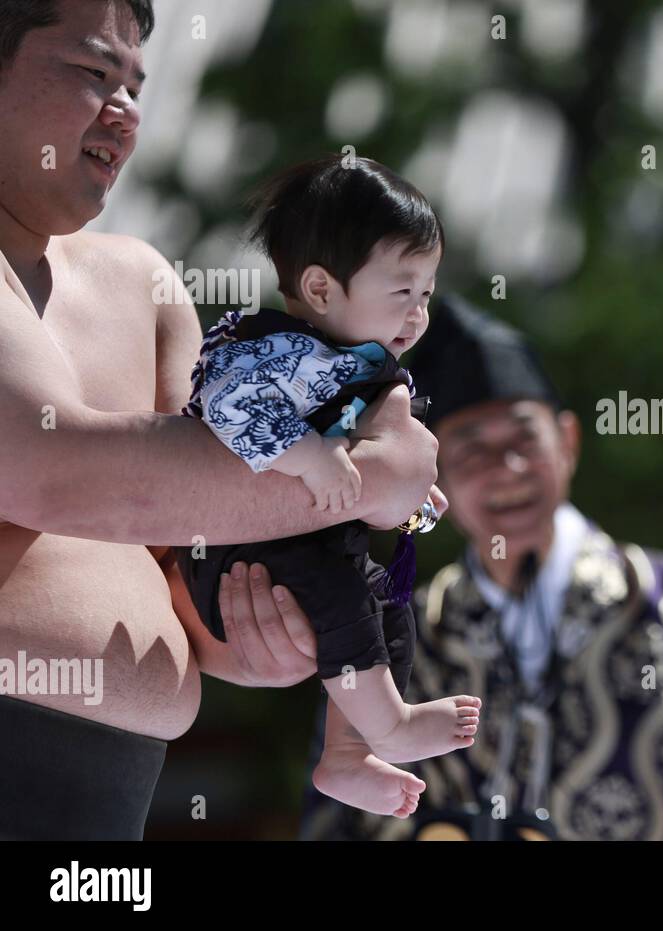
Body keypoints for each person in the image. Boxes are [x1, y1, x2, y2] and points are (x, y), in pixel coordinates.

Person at [0, 0, 437, 840]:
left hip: (114, 798)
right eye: (94, 72)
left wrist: (252, 641)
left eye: (135, 83)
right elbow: (57, 475)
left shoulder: (145, 287)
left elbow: (184, 555)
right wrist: (373, 475)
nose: (125, 109)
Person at [300, 296, 663, 841]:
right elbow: (339, 819)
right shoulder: (399, 634)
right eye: (472, 449)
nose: (508, 469)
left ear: (567, 442)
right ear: (432, 472)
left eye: (525, 437)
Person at [174, 157, 480, 820]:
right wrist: (311, 457)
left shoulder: (357, 364)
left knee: (390, 602)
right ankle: (388, 725)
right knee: (346, 590)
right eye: (403, 290)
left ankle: (349, 750)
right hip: (235, 549)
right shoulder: (269, 348)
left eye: (427, 293)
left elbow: (380, 470)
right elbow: (228, 402)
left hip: (308, 547)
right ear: (318, 286)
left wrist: (414, 501)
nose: (419, 312)